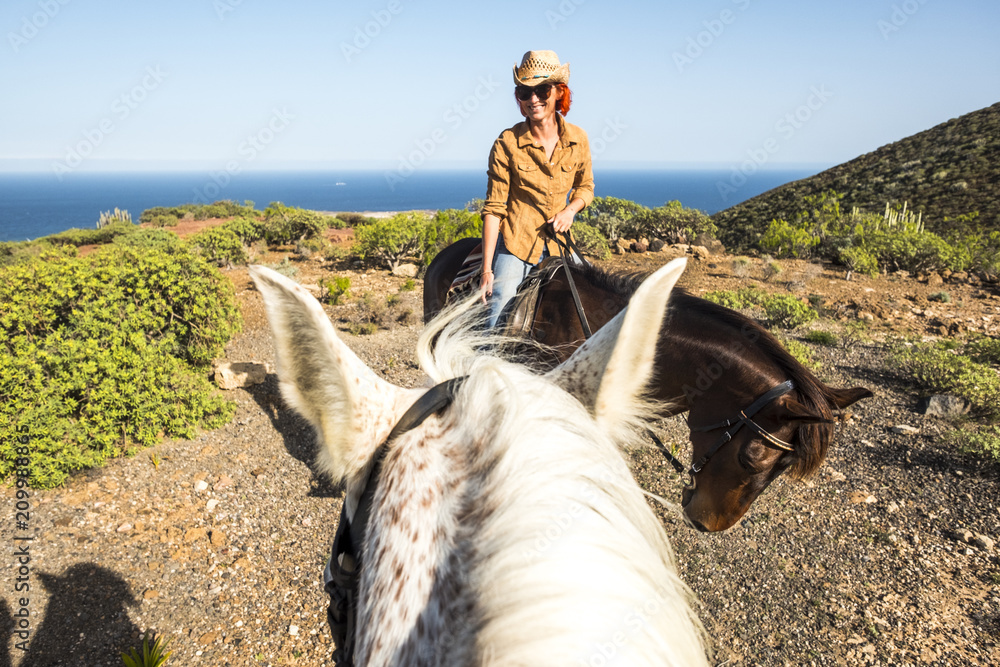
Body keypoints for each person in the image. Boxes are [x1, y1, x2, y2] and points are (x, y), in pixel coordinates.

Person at [479, 50, 594, 327]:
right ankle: (484, 365)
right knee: (498, 316)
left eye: (541, 90)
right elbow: (494, 209)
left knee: (590, 309)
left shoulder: (579, 139)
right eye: (524, 92)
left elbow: (586, 187)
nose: (534, 99)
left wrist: (570, 211)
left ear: (558, 92)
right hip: (518, 245)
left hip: (559, 246)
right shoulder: (506, 142)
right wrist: (486, 271)